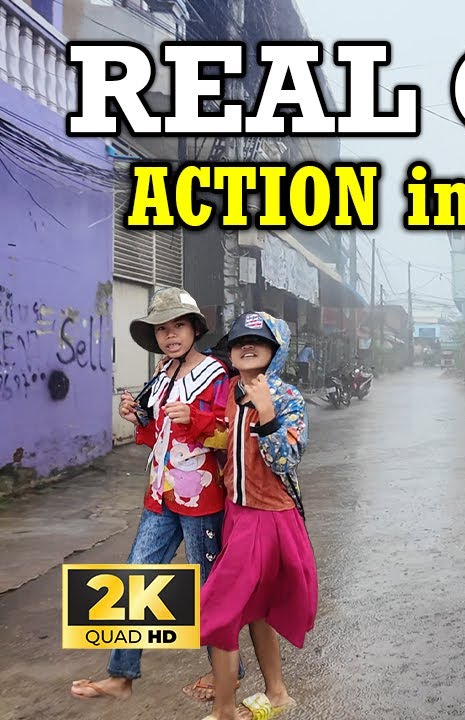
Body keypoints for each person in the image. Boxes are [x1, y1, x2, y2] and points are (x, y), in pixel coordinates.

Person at [71, 288, 243, 704]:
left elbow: (229, 437)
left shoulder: (217, 376)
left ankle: (230, 674)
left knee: (205, 592)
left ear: (194, 329)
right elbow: (160, 438)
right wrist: (137, 421)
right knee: (136, 576)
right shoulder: (163, 376)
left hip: (203, 504)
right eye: (162, 329)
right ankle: (122, 675)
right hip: (160, 498)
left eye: (178, 326)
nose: (170, 336)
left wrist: (198, 418)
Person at [200, 311, 316, 720]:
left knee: (218, 610)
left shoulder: (287, 398)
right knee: (257, 612)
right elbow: (217, 448)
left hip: (268, 518)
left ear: (274, 351)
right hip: (235, 514)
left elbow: (287, 461)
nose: (247, 346)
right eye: (239, 341)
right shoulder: (227, 392)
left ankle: (224, 711)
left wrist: (267, 414)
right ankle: (278, 694)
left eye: (259, 341)